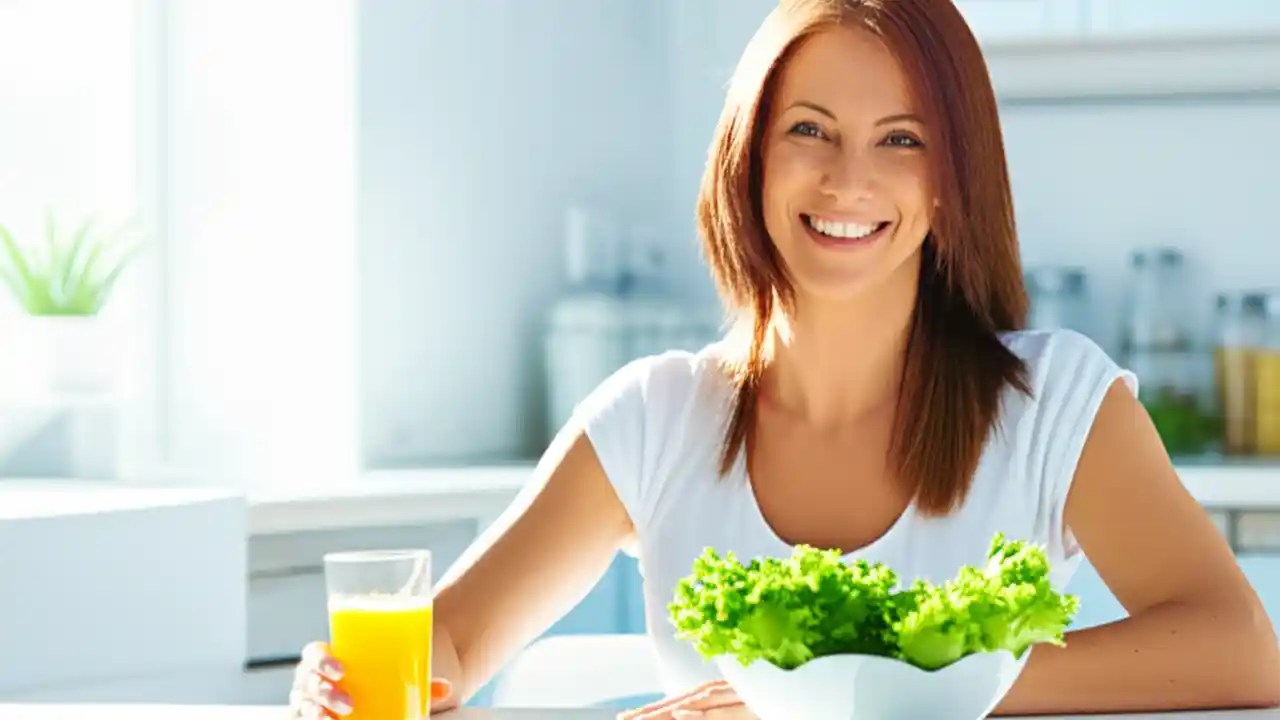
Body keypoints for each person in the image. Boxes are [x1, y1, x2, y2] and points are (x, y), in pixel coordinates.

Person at [290, 1, 1280, 718]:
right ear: (748, 156)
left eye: (900, 141)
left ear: (948, 187)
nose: (848, 179)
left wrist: (875, 696)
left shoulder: (1052, 399)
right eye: (808, 130)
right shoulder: (655, 417)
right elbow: (449, 647)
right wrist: (343, 687)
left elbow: (1236, 648)